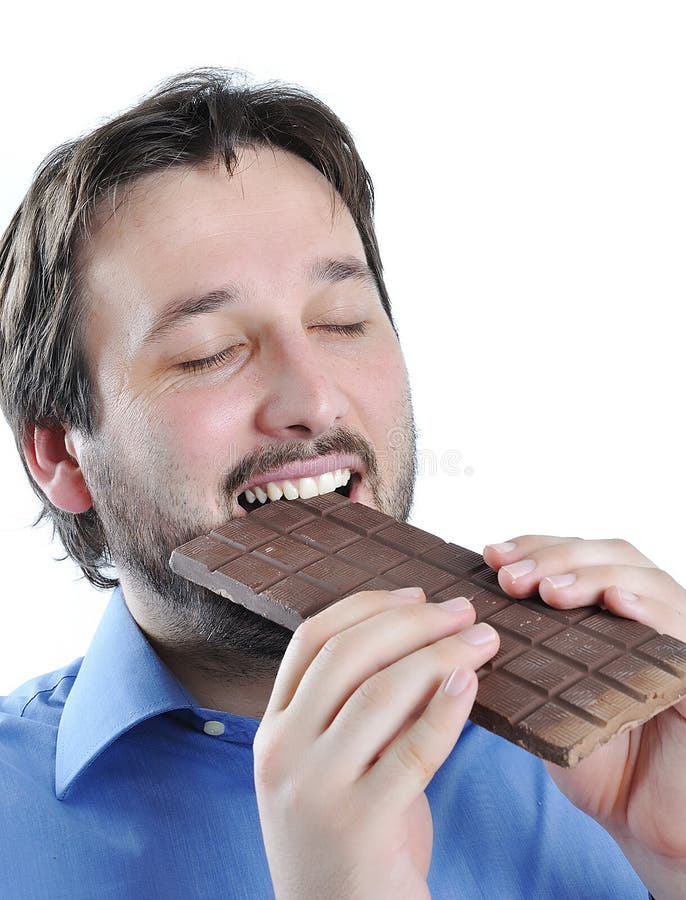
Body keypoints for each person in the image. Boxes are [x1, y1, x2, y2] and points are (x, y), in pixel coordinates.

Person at [0, 67, 683, 900]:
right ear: (61, 455)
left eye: (341, 323)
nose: (314, 399)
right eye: (209, 350)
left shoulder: (612, 768)